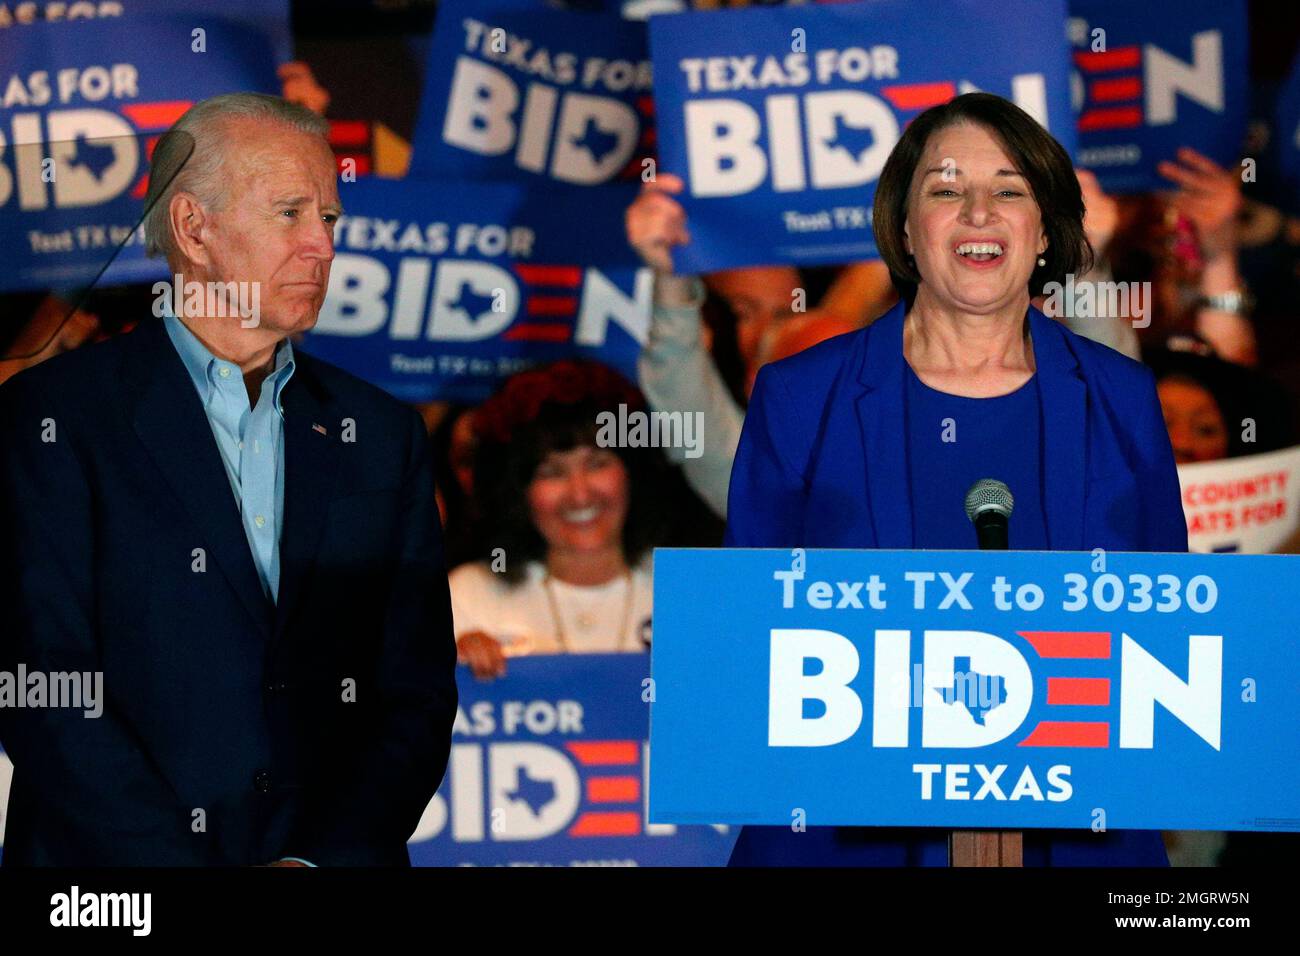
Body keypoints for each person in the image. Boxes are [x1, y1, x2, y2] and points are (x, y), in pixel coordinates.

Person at [717, 93, 1186, 865]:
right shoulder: (801, 395)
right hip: (841, 837)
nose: (978, 211)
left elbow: (1167, 631)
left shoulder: (1123, 397)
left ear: (1044, 232)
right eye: (944, 189)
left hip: (1073, 840)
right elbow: (744, 633)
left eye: (1009, 190)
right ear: (905, 231)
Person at [0, 92, 457, 866]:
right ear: (192, 228)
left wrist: (317, 859)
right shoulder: (54, 419)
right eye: (290, 213)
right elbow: (41, 684)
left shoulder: (380, 433)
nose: (322, 245)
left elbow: (413, 694)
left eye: (331, 220)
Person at [450, 360, 678, 679]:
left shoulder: (689, 595)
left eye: (597, 464)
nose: (580, 495)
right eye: (551, 472)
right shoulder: (469, 597)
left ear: (633, 473)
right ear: (517, 492)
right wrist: (451, 667)